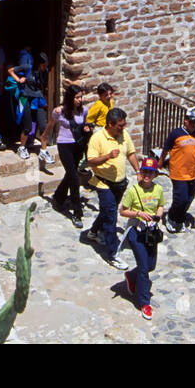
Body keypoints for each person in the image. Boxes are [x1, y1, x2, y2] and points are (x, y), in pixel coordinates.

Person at [85, 107, 139, 269]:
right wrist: (108, 156)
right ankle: (113, 253)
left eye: (124, 124)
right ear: (110, 124)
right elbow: (91, 161)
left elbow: (131, 153)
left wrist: (138, 171)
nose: (123, 128)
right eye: (120, 125)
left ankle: (93, 232)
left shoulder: (124, 134)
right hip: (103, 183)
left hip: (120, 183)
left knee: (108, 210)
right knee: (111, 217)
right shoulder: (97, 138)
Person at [120, 157, 165, 320]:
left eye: (150, 172)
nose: (147, 175)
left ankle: (131, 276)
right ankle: (144, 302)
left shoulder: (158, 189)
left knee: (151, 265)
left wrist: (158, 216)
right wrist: (138, 213)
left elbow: (161, 205)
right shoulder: (133, 191)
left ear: (154, 174)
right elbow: (123, 211)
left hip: (150, 233)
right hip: (136, 232)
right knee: (144, 268)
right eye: (144, 171)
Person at [43, 84, 88, 226]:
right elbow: (50, 125)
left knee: (71, 174)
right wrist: (44, 139)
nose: (79, 100)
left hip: (78, 145)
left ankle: (58, 197)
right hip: (64, 145)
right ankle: (77, 212)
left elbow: (83, 127)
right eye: (77, 97)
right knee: (74, 178)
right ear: (70, 98)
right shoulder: (59, 111)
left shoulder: (84, 111)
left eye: (81, 97)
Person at [161, 107, 195, 232]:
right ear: (185, 120)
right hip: (178, 173)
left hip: (192, 174)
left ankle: (179, 218)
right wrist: (160, 163)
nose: (193, 125)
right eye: (191, 121)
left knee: (189, 198)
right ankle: (171, 218)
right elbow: (166, 149)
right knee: (180, 199)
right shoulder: (176, 133)